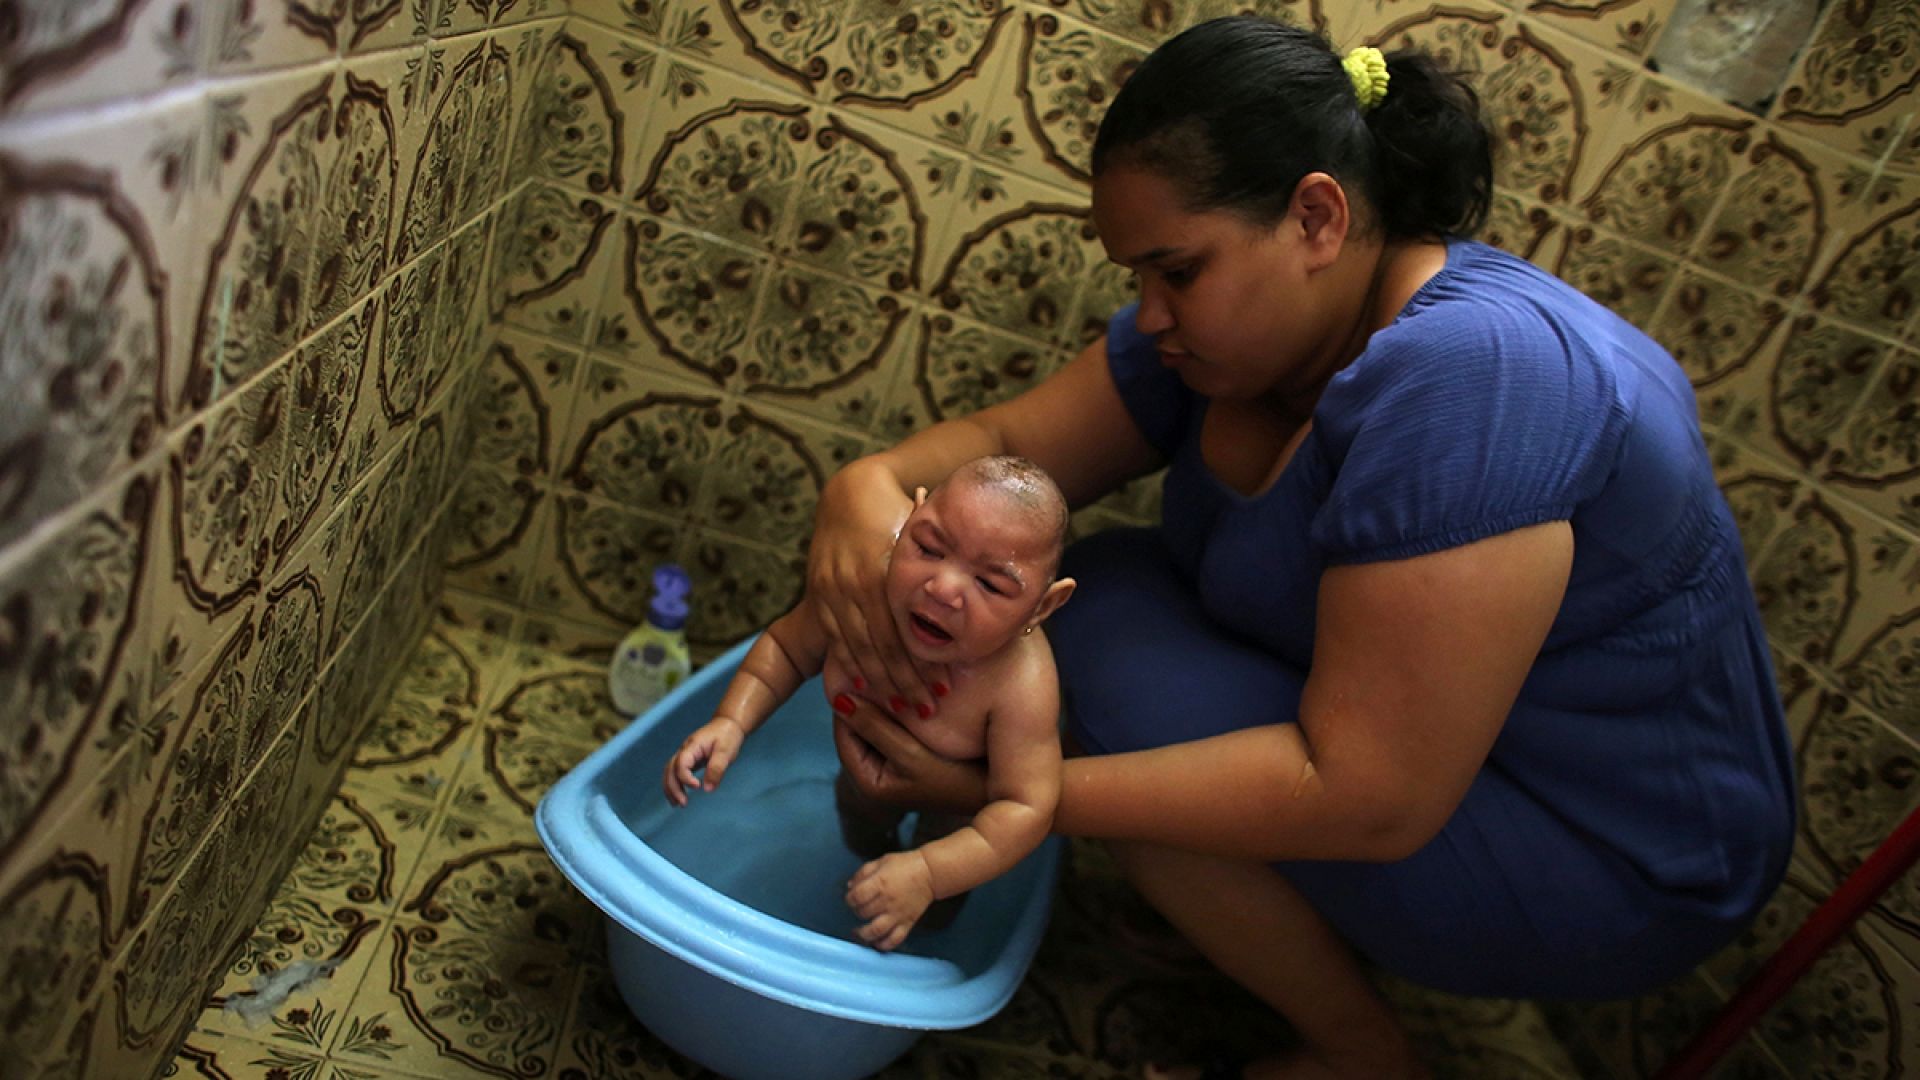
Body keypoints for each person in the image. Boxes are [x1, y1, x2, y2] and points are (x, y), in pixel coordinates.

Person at [805, 16, 1796, 1080]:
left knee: (1082, 680)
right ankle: (1245, 916)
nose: (1150, 313)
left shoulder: (1479, 374)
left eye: (1178, 270)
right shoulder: (1231, 341)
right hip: (1441, 770)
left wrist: (1007, 801)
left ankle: (1360, 1054)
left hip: (1612, 857)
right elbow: (1004, 447)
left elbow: (1366, 791)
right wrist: (861, 490)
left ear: (1318, 218)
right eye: (1138, 275)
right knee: (1104, 597)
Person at [662, 455, 1076, 952]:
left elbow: (1025, 807)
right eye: (928, 546)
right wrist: (731, 722)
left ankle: (927, 927)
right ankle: (869, 865)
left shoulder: (1021, 682)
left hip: (956, 819)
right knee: (858, 830)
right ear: (908, 520)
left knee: (939, 904)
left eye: (991, 584)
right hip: (859, 778)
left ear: (1043, 606)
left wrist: (928, 872)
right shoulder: (867, 594)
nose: (942, 588)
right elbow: (787, 649)